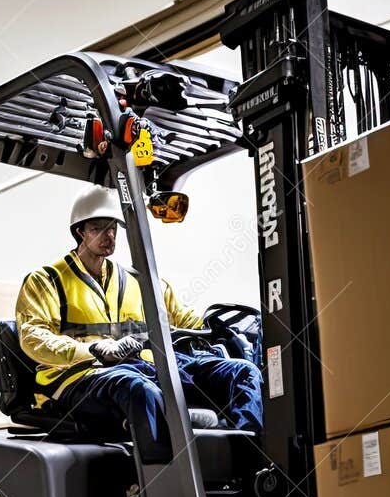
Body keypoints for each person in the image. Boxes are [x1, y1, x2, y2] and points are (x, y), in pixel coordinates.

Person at [15, 185, 263, 448]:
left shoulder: (138, 281)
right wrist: (94, 349)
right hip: (81, 376)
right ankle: (165, 480)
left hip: (149, 367)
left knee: (243, 372)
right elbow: (34, 337)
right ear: (80, 231)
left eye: (113, 228)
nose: (109, 235)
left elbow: (181, 318)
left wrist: (219, 326)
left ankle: (246, 458)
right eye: (99, 228)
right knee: (140, 389)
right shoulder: (47, 280)